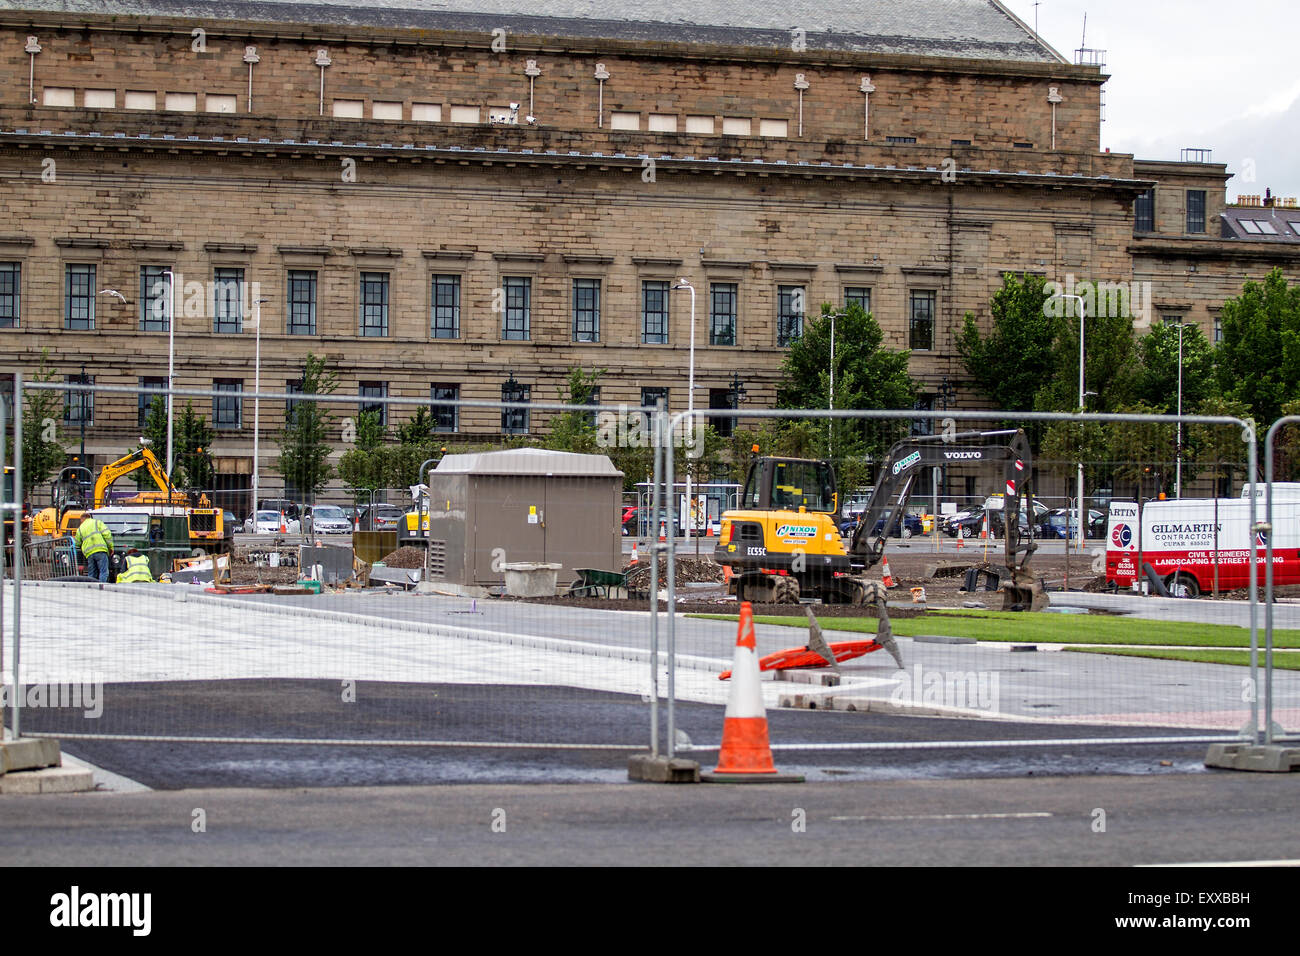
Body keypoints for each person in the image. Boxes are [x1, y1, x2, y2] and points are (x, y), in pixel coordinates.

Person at [72, 514, 114, 583]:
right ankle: (102, 587)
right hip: (100, 550)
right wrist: (110, 547)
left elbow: (77, 542)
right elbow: (107, 534)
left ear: (82, 519)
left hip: (89, 553)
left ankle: (91, 588)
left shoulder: (80, 528)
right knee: (103, 571)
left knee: (92, 573)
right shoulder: (97, 522)